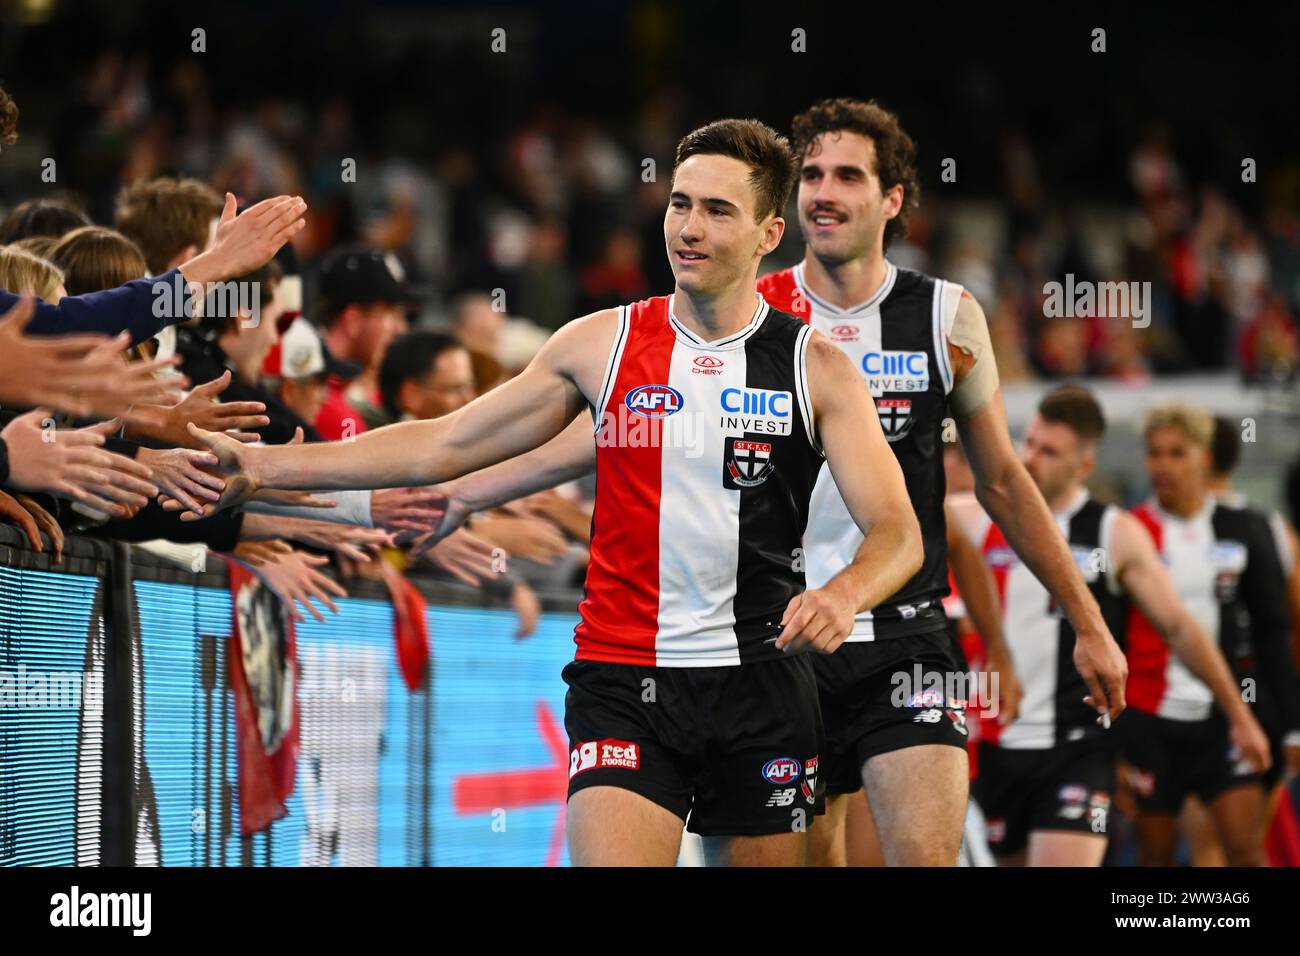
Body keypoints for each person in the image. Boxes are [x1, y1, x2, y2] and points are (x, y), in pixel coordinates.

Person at [187, 117, 925, 866]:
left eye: (717, 210)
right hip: (623, 677)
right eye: (679, 204)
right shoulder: (596, 344)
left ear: (771, 232)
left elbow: (897, 530)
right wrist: (264, 465)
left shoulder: (816, 367)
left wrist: (843, 597)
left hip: (762, 683)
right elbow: (445, 441)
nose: (689, 228)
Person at [752, 98, 1126, 866]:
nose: (823, 192)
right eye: (812, 174)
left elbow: (1002, 485)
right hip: (777, 639)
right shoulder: (752, 312)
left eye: (848, 175)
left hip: (905, 640)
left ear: (893, 199)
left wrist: (1087, 622)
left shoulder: (946, 317)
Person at [949, 385, 1270, 866]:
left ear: (1084, 464)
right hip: (996, 746)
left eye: (1049, 450)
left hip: (1079, 747)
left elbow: (1179, 628)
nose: (1031, 458)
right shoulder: (973, 517)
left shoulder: (1114, 532)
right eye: (1029, 443)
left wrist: (1240, 716)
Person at [1117, 403, 1300, 865]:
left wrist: (1292, 725)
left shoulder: (1243, 528)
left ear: (1204, 457)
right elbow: (1108, 632)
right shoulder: (1127, 530)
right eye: (1155, 453)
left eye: (1178, 453)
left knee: (1245, 850)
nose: (1164, 465)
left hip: (1225, 718)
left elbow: (1271, 631)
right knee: (1155, 855)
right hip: (1149, 719)